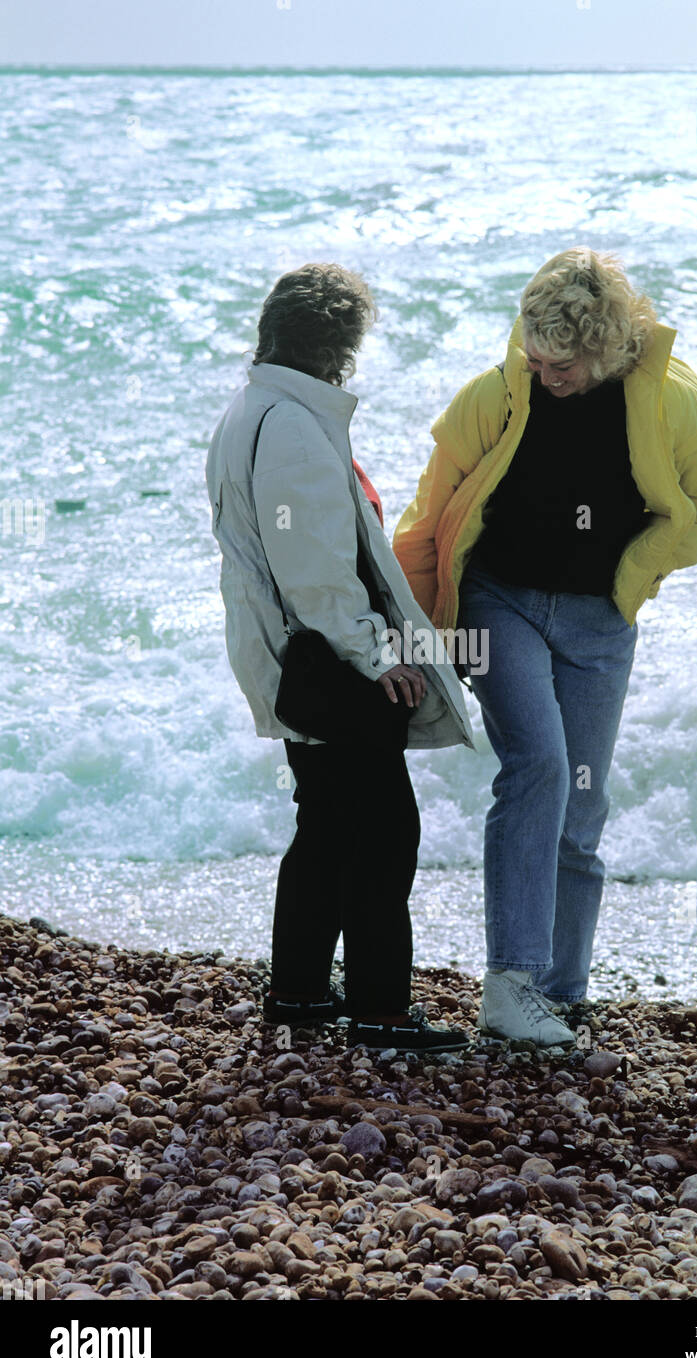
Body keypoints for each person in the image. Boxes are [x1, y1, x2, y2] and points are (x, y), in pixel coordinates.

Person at [393, 247, 697, 1046]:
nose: (546, 376)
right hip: (498, 603)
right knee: (541, 767)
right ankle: (510, 984)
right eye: (534, 359)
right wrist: (412, 634)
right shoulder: (493, 398)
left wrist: (640, 567)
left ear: (607, 351)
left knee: (583, 797)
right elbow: (427, 518)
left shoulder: (672, 404)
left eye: (563, 366)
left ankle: (560, 992)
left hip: (601, 620)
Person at [205, 263, 474, 1052]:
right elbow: (315, 564)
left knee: (324, 821)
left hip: (290, 658)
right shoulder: (290, 424)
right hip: (327, 663)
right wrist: (373, 656)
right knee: (384, 828)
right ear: (340, 345)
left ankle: (296, 992)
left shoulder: (252, 408)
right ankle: (383, 1008)